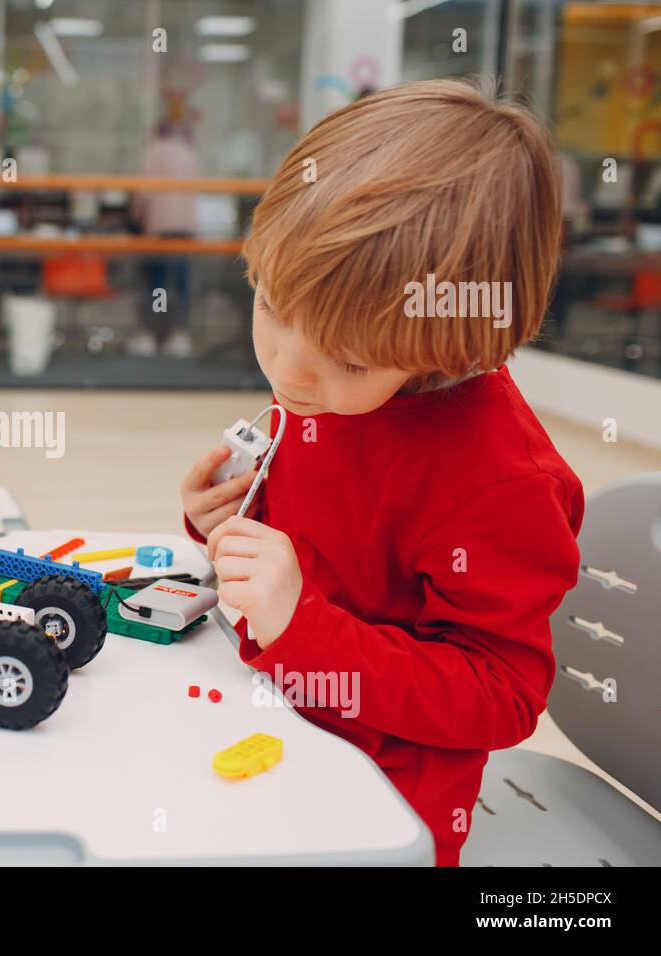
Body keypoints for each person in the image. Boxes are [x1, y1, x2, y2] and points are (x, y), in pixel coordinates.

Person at [180, 79, 583, 866]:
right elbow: (316, 542)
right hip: (273, 724)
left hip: (381, 799)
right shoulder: (336, 381)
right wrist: (227, 523)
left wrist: (304, 627)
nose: (289, 373)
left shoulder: (502, 483)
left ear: (458, 341)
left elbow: (502, 695)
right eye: (270, 304)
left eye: (350, 357)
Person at [130, 122, 199, 357]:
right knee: (181, 283)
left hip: (159, 226)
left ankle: (152, 334)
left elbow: (144, 192)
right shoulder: (188, 153)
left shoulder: (154, 152)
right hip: (185, 229)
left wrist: (135, 218)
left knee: (157, 284)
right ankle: (179, 335)